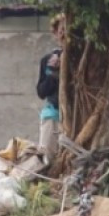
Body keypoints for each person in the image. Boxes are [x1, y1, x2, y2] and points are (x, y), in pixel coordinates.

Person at [37, 14, 64, 170]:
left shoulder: (80, 58)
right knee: (48, 159)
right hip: (53, 115)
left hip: (75, 118)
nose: (64, 34)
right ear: (55, 33)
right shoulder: (48, 60)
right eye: (61, 30)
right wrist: (53, 73)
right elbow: (41, 92)